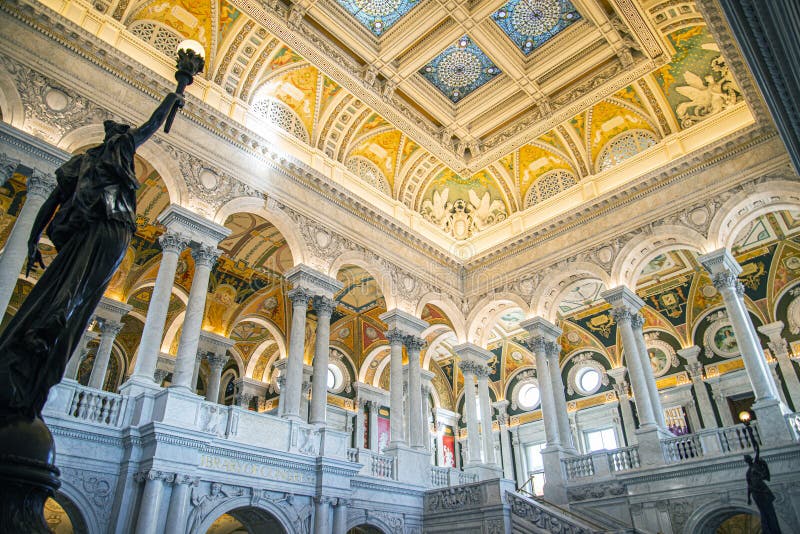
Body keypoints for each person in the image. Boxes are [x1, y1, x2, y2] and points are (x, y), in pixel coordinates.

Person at [0, 91, 183, 419]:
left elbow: (51, 202)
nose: (124, 141)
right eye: (122, 136)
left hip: (109, 231)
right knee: (71, 290)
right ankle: (47, 328)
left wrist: (32, 240)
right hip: (106, 228)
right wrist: (177, 92)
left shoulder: (88, 161)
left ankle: (51, 329)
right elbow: (153, 124)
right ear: (117, 138)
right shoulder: (110, 153)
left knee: (77, 292)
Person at [745, 453, 783, 533]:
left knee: (769, 512)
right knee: (763, 512)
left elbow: (757, 451)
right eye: (746, 460)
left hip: (763, 491)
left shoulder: (756, 465)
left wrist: (753, 441)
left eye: (747, 459)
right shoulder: (748, 472)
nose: (747, 461)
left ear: (750, 459)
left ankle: (772, 529)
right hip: (756, 493)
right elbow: (749, 485)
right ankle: (768, 529)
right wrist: (748, 498)